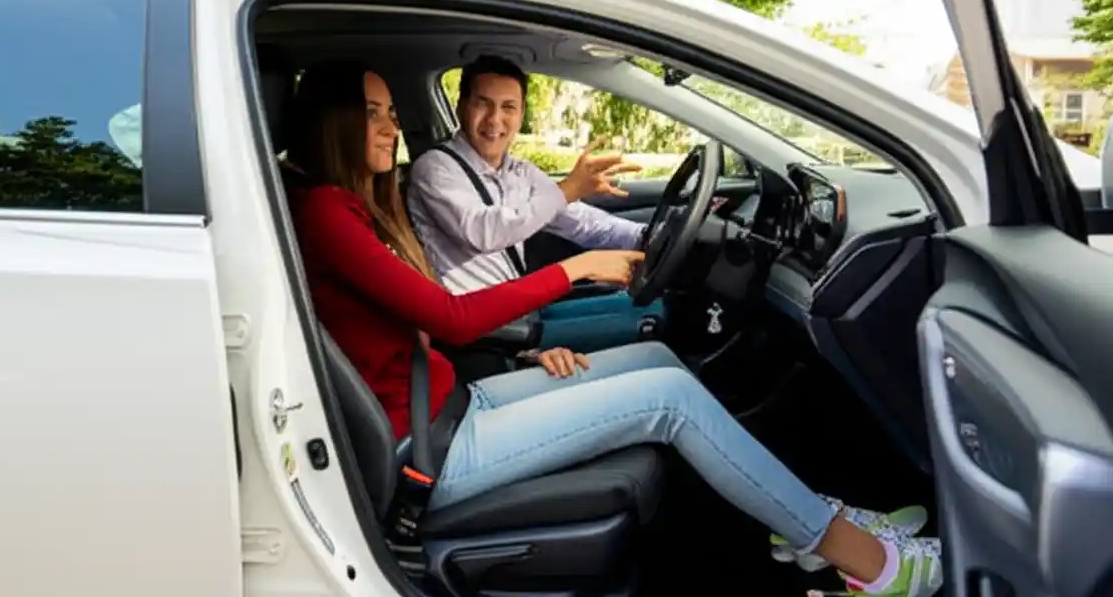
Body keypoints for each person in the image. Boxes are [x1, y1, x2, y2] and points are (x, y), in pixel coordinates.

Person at [282, 60, 942, 597]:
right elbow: (448, 313)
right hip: (431, 449)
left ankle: (797, 517)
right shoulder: (325, 213)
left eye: (392, 112)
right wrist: (574, 272)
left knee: (657, 362)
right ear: (331, 119)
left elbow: (420, 326)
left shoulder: (356, 208)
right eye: (373, 112)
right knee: (670, 400)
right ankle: (868, 564)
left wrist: (516, 361)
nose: (391, 128)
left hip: (452, 398)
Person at [406, 55, 659, 355]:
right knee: (656, 319)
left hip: (522, 309)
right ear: (461, 106)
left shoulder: (520, 172)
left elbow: (581, 222)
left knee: (651, 304)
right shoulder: (434, 168)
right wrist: (566, 189)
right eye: (483, 103)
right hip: (488, 334)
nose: (494, 120)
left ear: (522, 113)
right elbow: (484, 231)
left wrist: (649, 237)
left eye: (508, 107)